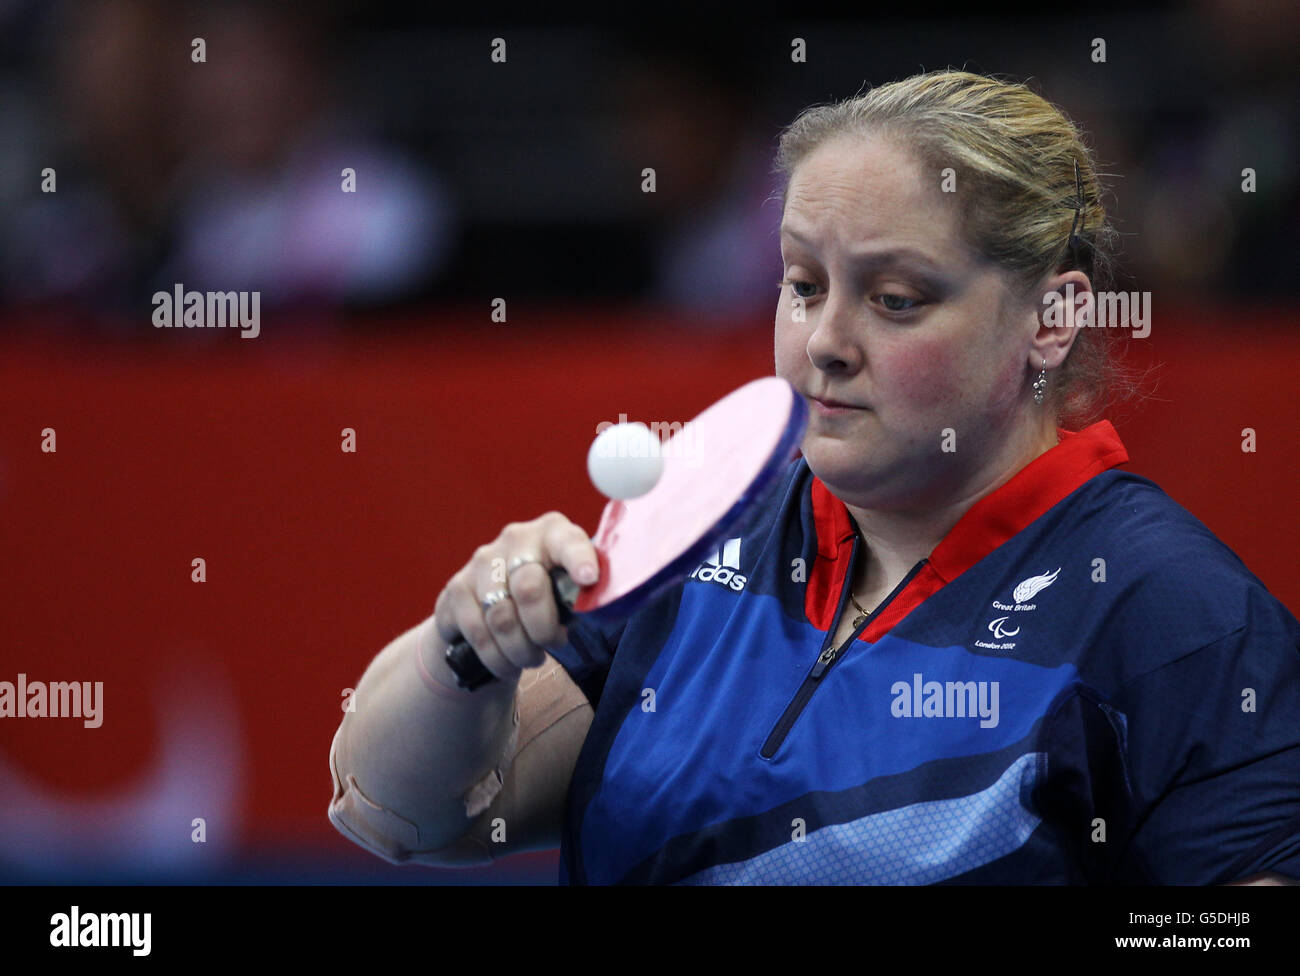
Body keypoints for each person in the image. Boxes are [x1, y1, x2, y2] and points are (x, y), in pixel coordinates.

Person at [327, 70, 1300, 884]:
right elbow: (405, 816)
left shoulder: (1172, 611)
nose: (824, 343)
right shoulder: (697, 535)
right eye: (801, 285)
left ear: (1049, 316)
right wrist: (464, 647)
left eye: (895, 298)